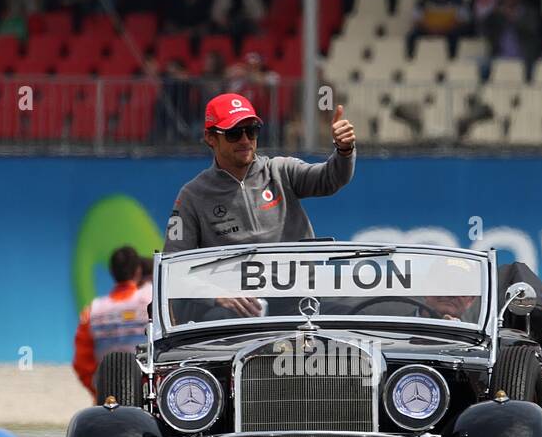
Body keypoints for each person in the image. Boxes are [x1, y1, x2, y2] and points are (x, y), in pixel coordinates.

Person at [166, 92, 357, 314]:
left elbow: (331, 178)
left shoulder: (281, 170)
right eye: (234, 134)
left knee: (359, 316)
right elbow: (173, 266)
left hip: (301, 296)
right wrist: (215, 295)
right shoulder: (192, 195)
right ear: (210, 138)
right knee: (218, 316)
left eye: (252, 131)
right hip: (244, 309)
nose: (245, 140)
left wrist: (344, 150)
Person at [73, 245, 152, 398]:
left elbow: (82, 362)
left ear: (112, 272)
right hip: (147, 396)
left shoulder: (93, 311)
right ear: (138, 271)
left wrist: (99, 389)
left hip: (108, 399)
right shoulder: (152, 300)